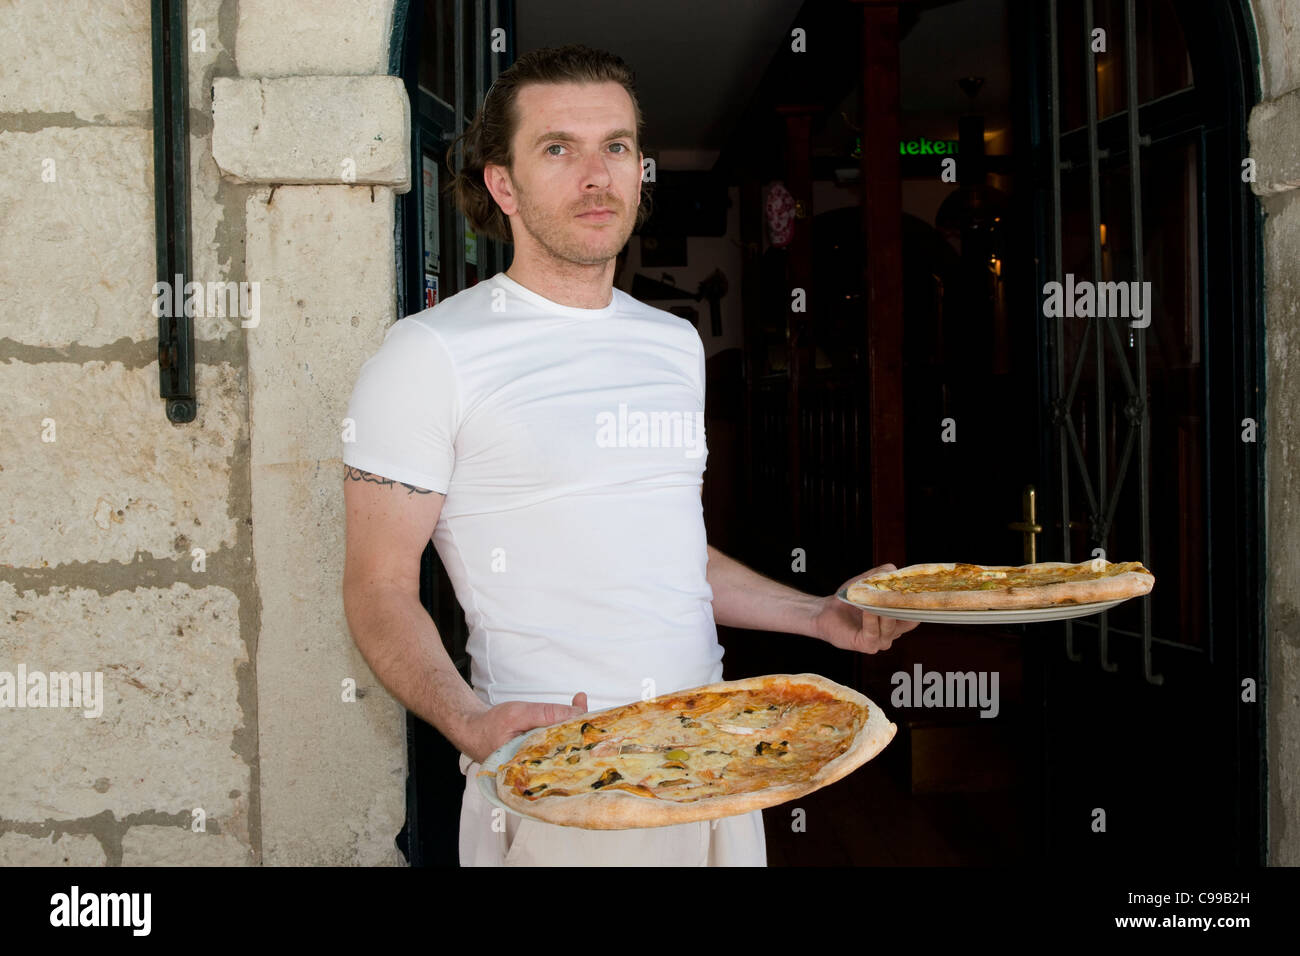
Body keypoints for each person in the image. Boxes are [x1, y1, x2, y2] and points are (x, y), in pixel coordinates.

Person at [341, 44, 917, 866]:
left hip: (719, 759)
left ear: (641, 169)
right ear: (501, 183)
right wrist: (467, 720)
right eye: (556, 148)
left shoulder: (673, 343)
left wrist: (815, 615)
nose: (594, 174)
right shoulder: (428, 354)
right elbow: (377, 586)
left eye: (615, 147)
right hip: (560, 778)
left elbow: (667, 553)